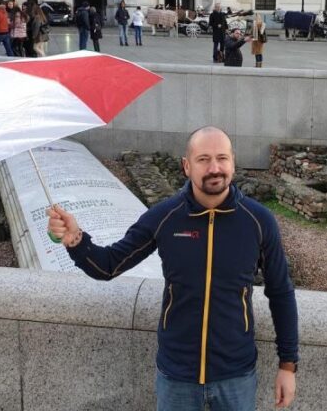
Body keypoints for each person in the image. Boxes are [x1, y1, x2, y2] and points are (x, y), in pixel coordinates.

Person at [46, 126, 299, 411]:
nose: (215, 168)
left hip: (236, 376)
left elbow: (280, 293)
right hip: (177, 376)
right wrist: (76, 240)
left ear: (233, 162)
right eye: (203, 159)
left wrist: (288, 365)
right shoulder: (165, 217)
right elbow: (108, 266)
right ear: (186, 166)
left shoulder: (258, 221)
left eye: (222, 158)